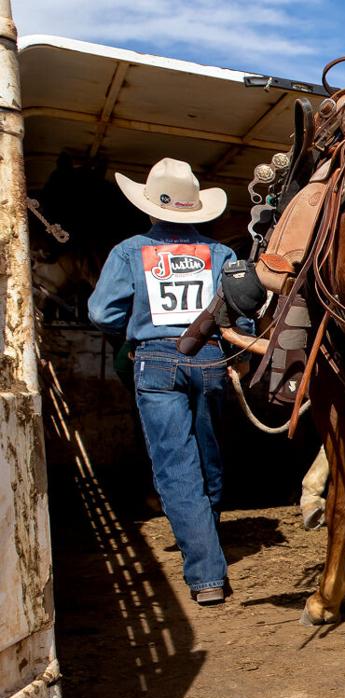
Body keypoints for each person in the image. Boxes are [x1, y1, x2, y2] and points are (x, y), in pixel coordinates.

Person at [89, 158, 239, 605]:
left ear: (151, 207)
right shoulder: (221, 254)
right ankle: (204, 538)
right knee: (207, 453)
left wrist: (133, 329)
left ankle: (207, 572)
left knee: (176, 465)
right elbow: (241, 311)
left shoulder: (130, 250)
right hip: (210, 357)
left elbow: (101, 312)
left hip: (155, 360)